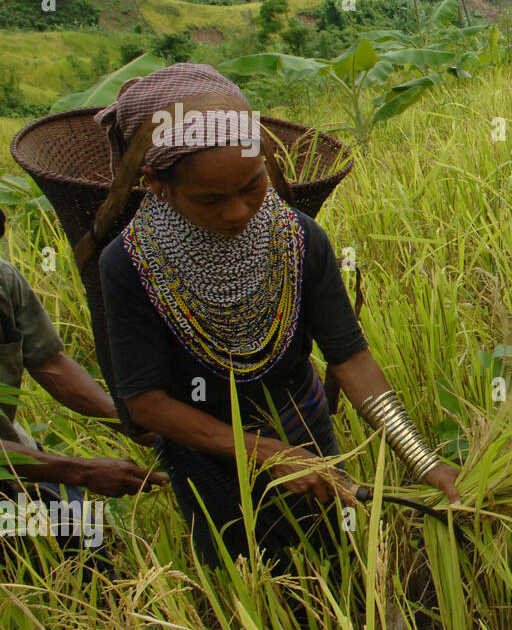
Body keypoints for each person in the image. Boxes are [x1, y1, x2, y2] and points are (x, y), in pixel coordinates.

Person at [95, 63, 461, 569]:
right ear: (157, 183)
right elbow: (147, 404)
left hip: (302, 421)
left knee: (342, 557)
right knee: (253, 575)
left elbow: (350, 360)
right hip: (206, 449)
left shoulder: (299, 238)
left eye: (252, 185)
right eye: (210, 199)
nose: (239, 212)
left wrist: (425, 463)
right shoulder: (128, 264)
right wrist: (265, 452)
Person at [0, 207, 163, 551]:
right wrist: (82, 471)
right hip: (11, 462)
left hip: (16, 457)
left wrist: (128, 421)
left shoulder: (4, 282)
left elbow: (50, 364)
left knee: (93, 553)